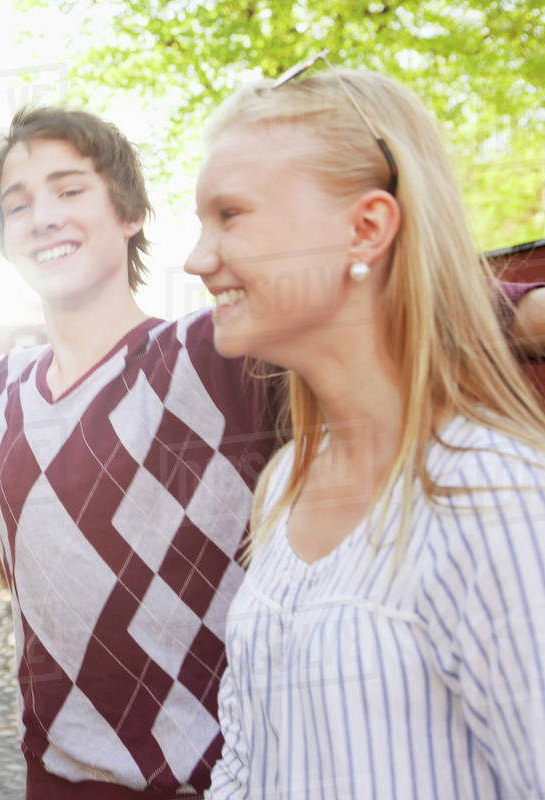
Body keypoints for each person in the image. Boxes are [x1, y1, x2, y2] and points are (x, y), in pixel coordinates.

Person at [0, 107, 545, 798]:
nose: (42, 214)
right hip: (64, 777)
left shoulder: (217, 355)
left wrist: (522, 310)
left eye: (70, 187)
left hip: (227, 774)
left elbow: (387, 316)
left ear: (130, 214)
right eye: (16, 203)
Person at [182, 58, 545, 798]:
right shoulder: (287, 480)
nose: (197, 259)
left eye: (232, 215)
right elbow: (245, 765)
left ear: (367, 228)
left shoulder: (496, 496)